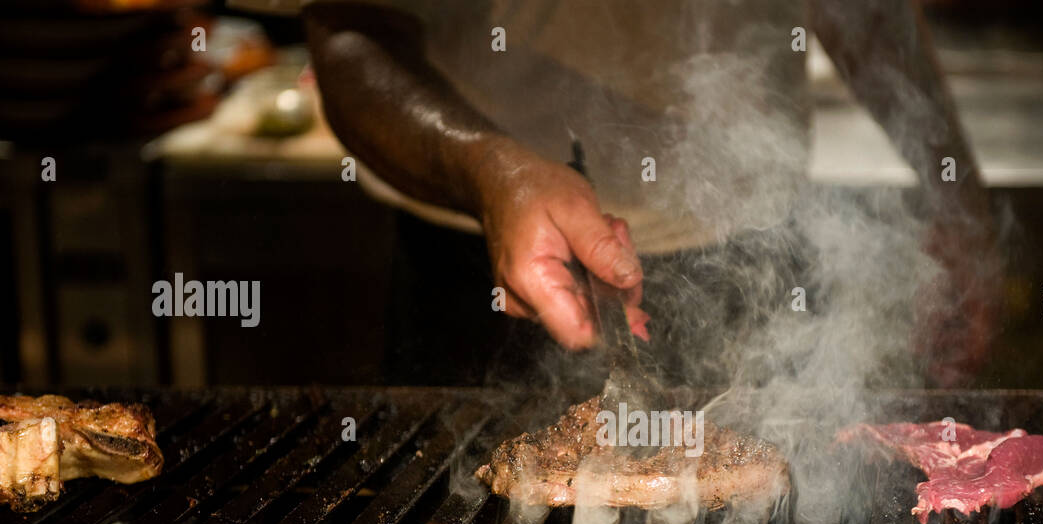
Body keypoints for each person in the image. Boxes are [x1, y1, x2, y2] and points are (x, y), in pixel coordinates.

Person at [232, 0, 998, 387]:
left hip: (754, 248)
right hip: (480, 260)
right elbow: (351, 30)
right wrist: (492, 169)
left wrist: (959, 199)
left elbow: (861, 9)